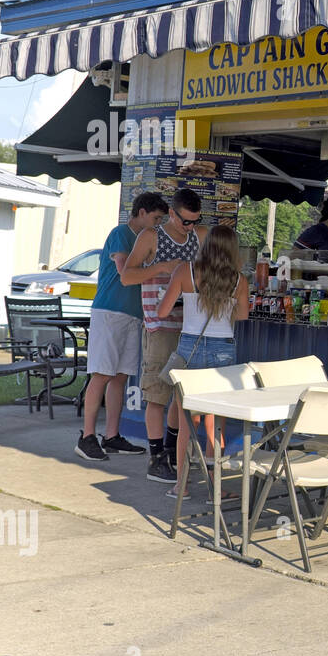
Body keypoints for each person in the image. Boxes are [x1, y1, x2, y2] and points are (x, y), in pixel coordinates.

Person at [121, 188, 207, 484]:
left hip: (192, 327)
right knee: (158, 394)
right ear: (172, 213)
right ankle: (156, 458)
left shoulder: (201, 236)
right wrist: (160, 268)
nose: (190, 227)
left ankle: (172, 452)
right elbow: (126, 276)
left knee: (183, 396)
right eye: (185, 221)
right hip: (159, 326)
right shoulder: (152, 237)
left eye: (195, 221)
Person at [157, 225, 250, 499]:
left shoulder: (185, 271)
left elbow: (163, 311)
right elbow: (242, 315)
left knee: (188, 421)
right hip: (223, 349)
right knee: (214, 423)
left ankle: (181, 485)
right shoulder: (239, 280)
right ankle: (214, 487)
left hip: (189, 347)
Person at [76, 191, 168, 463]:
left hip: (133, 314)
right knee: (101, 373)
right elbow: (124, 271)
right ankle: (87, 436)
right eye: (155, 218)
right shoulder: (121, 233)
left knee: (120, 376)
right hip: (110, 311)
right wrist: (161, 268)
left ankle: (112, 435)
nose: (158, 224)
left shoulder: (149, 240)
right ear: (141, 213)